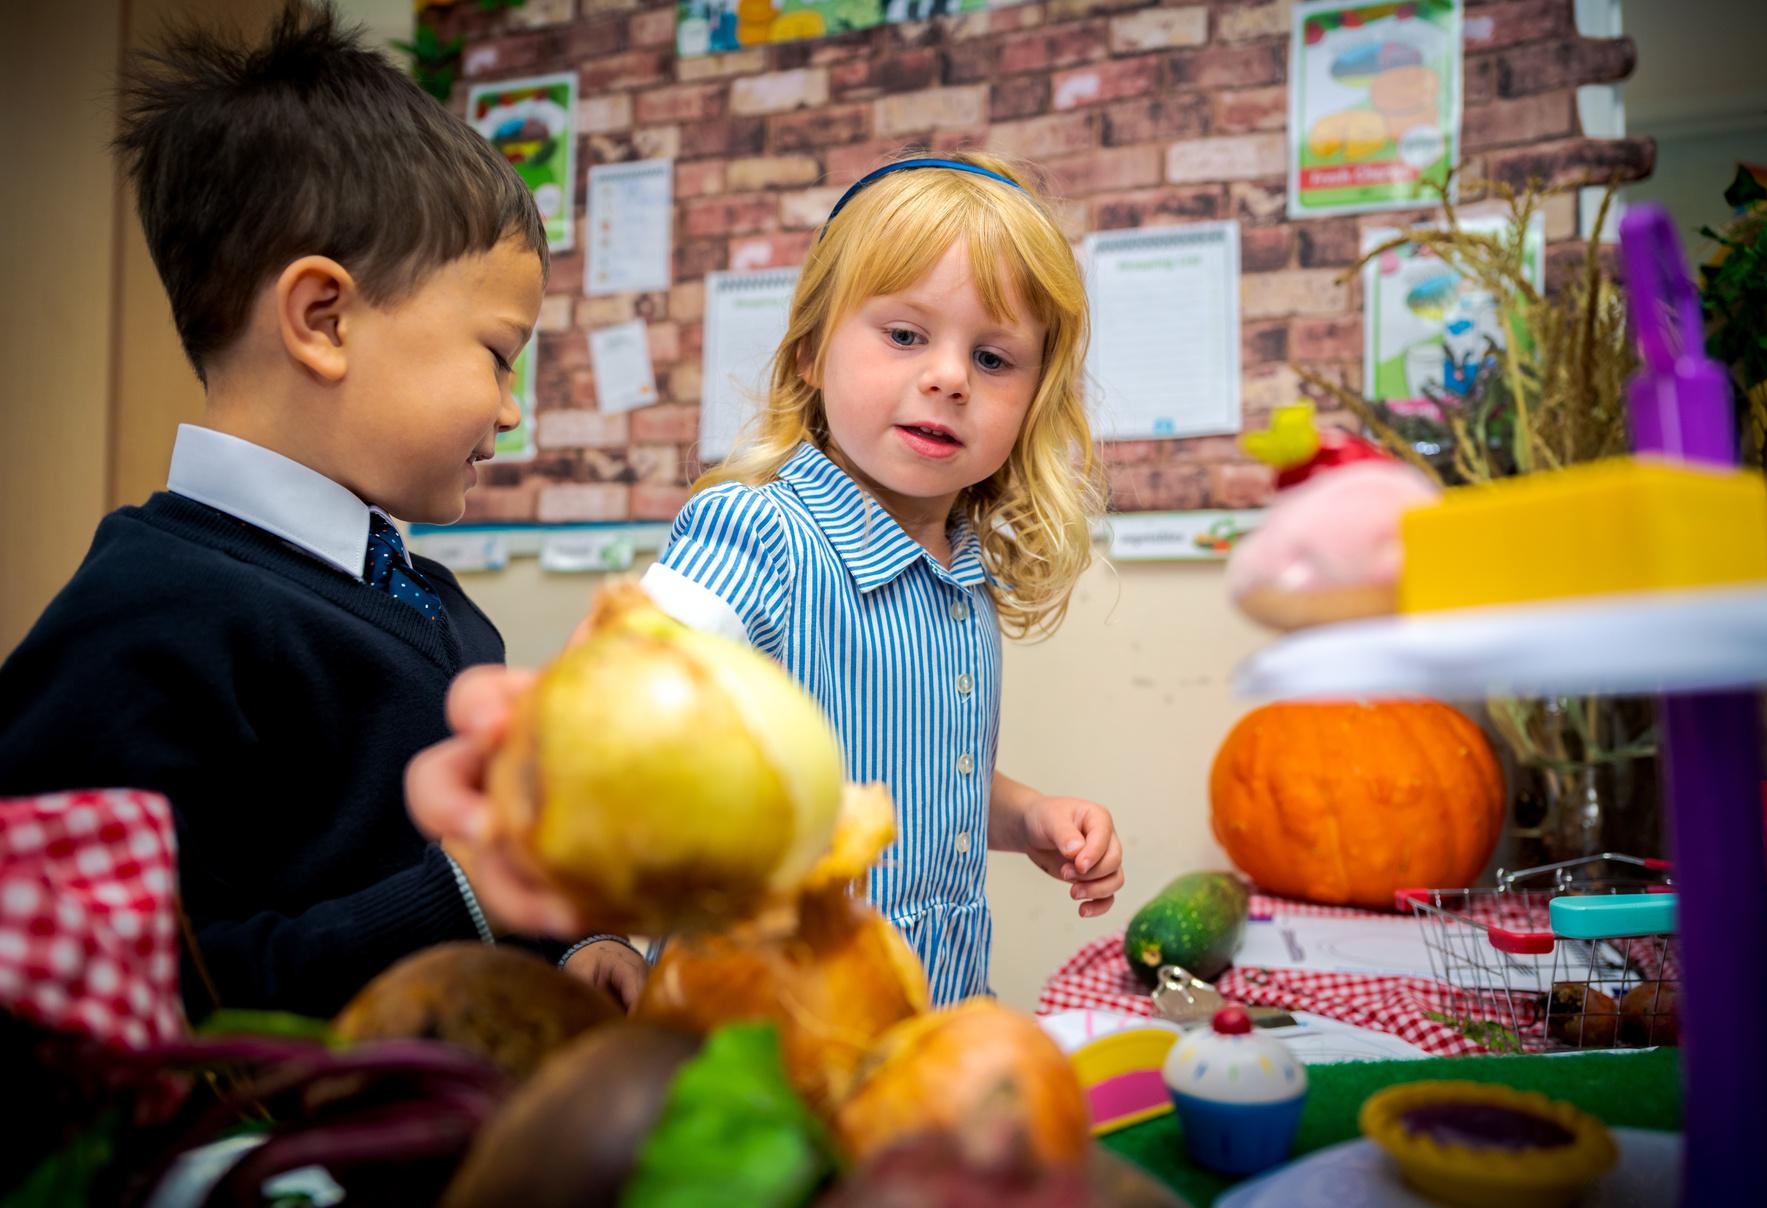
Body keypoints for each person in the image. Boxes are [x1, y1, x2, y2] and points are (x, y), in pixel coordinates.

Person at [0, 2, 644, 1017]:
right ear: (323, 318)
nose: (513, 410)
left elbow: (488, 876)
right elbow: (152, 1003)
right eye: (497, 355)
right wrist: (464, 896)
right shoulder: (142, 623)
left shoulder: (431, 600)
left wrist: (567, 940)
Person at [638, 152, 1125, 1003]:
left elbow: (920, 777)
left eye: (994, 358)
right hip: (766, 1037)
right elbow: (600, 721)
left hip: (926, 1024)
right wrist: (593, 927)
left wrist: (1023, 816)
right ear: (809, 355)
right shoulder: (759, 531)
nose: (947, 376)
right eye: (904, 336)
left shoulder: (963, 570)